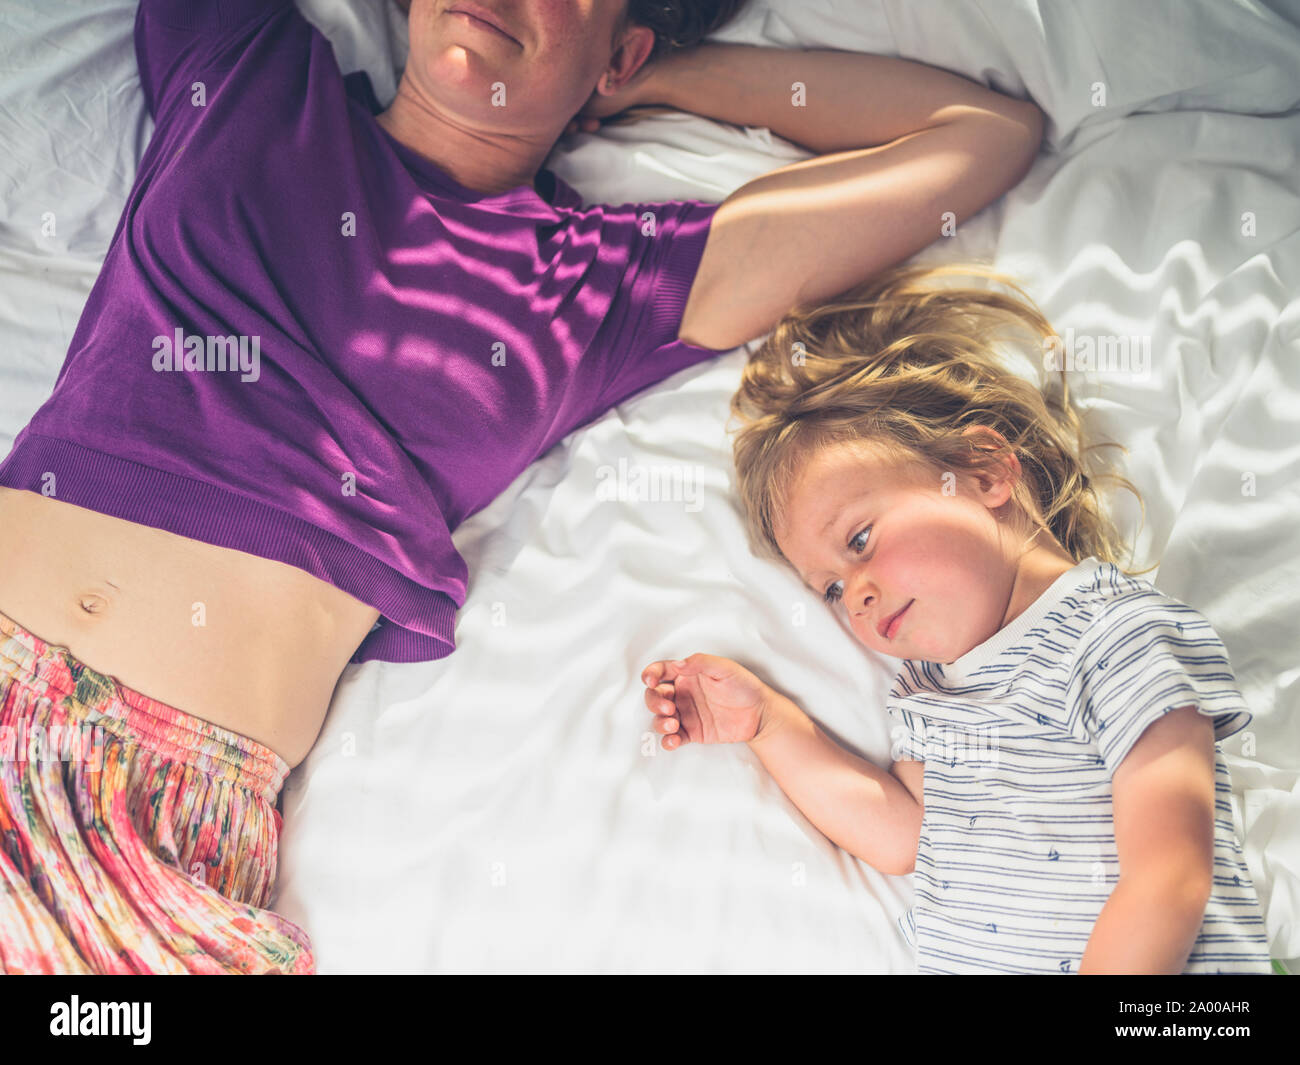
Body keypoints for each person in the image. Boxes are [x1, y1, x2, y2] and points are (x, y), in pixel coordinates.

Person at [0, 0, 1043, 972]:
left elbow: (981, 134)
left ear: (619, 47)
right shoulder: (249, 79)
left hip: (156, 844)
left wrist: (650, 81)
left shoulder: (597, 281)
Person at [639, 263, 1274, 974]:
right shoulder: (927, 690)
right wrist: (767, 725)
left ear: (984, 472)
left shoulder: (1114, 635)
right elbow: (904, 833)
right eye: (829, 589)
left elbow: (1171, 875)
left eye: (860, 541)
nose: (856, 596)